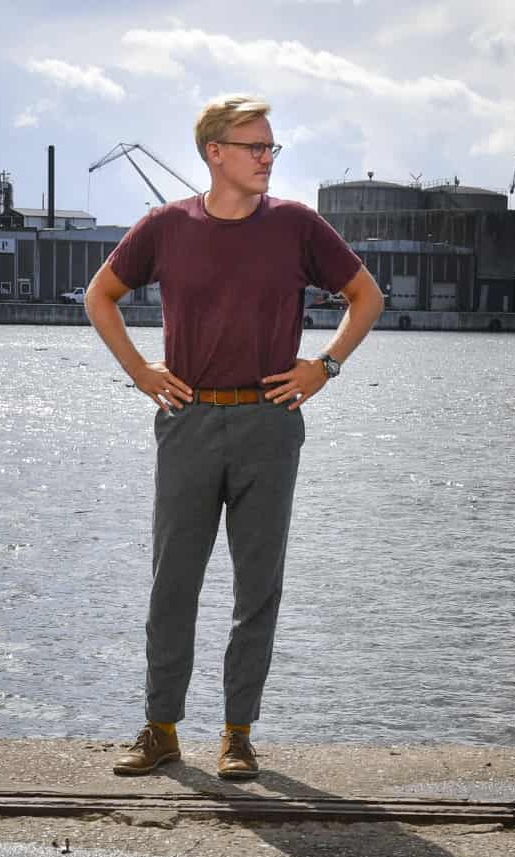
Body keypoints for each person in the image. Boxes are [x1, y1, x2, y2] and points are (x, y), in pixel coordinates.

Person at [85, 94, 386, 782]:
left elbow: (367, 296)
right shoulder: (165, 226)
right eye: (255, 146)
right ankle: (160, 730)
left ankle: (237, 736)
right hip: (187, 419)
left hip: (268, 424)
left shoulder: (297, 226)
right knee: (174, 583)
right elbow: (99, 296)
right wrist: (138, 371)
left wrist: (325, 366)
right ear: (214, 152)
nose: (267, 158)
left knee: (258, 587)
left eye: (272, 147)